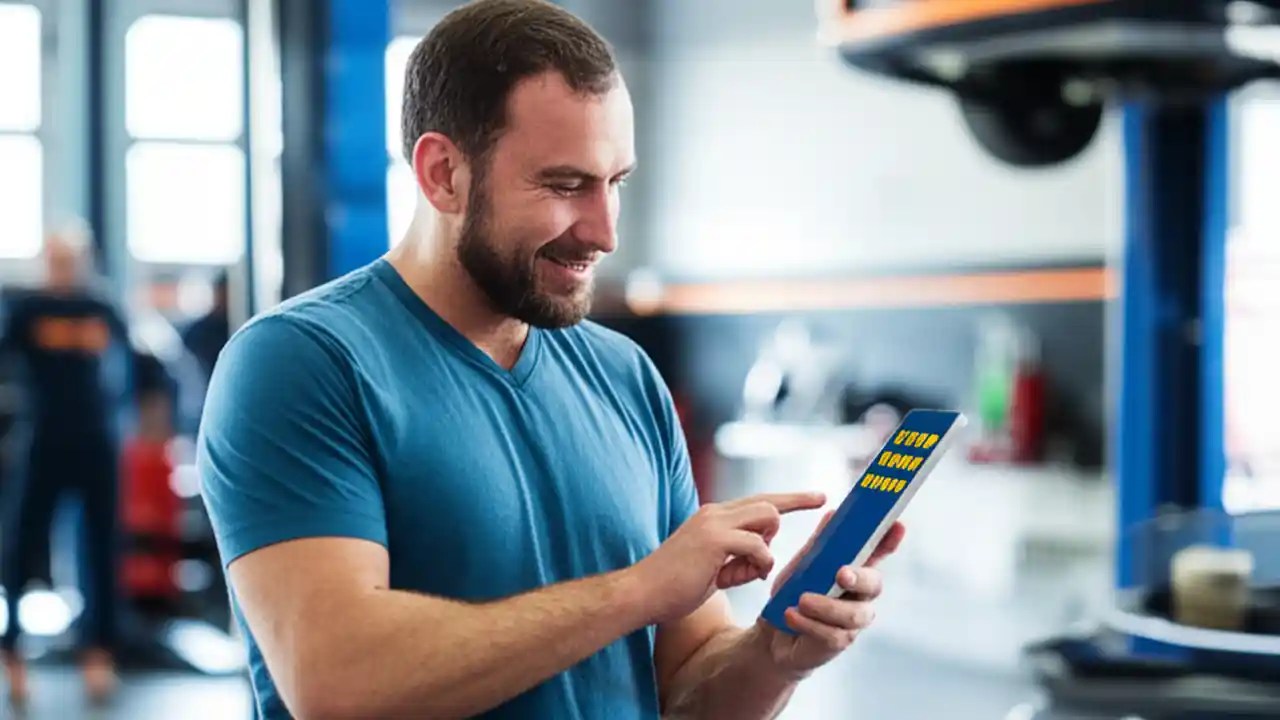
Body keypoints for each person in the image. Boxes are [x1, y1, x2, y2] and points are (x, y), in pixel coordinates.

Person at [198, 2, 906, 718]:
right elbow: (338, 682)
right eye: (566, 186)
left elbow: (688, 689)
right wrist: (637, 590)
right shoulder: (299, 365)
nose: (603, 232)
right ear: (443, 174)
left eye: (615, 183)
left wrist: (774, 655)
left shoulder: (625, 377)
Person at [0, 222, 127, 708]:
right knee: (21, 546)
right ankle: (12, 651)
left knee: (101, 548)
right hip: (41, 441)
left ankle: (99, 653)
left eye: (71, 260)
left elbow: (132, 369)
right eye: (56, 260)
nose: (64, 268)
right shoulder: (26, 310)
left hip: (95, 443)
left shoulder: (101, 307)